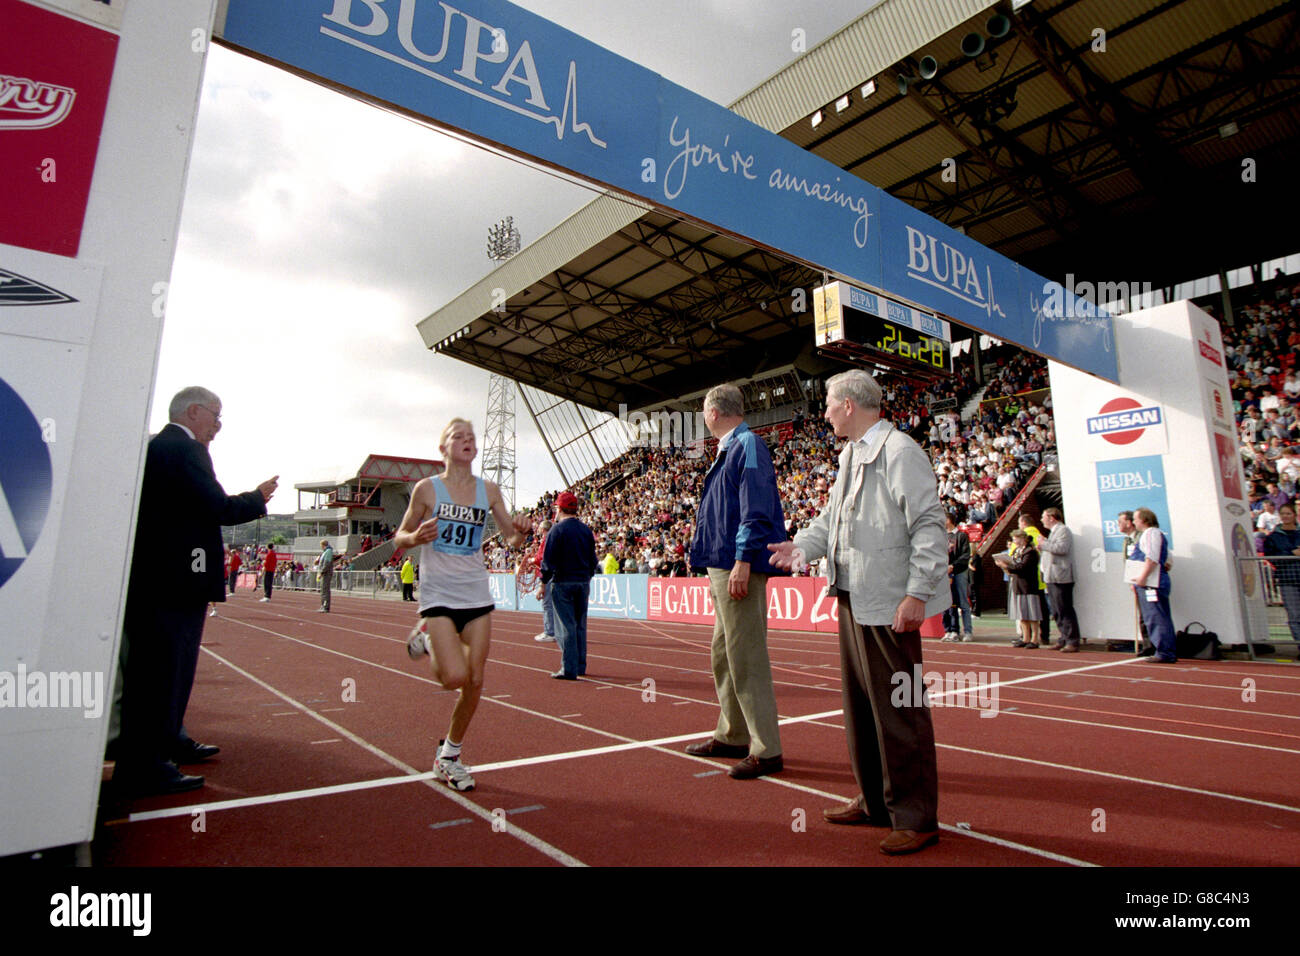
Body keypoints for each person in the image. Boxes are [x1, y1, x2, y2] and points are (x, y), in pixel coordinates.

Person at [768, 369, 947, 855]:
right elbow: (830, 521)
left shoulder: (900, 451)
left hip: (889, 602)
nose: (823, 412)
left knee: (900, 711)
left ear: (849, 405)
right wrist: (800, 547)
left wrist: (917, 593)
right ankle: (875, 802)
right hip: (852, 595)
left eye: (828, 403)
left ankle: (915, 816)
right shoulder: (851, 453)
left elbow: (930, 525)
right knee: (862, 709)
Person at [114, 386, 277, 796]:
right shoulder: (184, 450)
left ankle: (168, 742)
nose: (218, 426)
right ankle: (147, 764)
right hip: (174, 584)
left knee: (157, 672)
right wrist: (256, 498)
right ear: (193, 411)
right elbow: (217, 507)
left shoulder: (158, 448)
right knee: (164, 673)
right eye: (215, 416)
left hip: (159, 581)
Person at [398, 418, 531, 791]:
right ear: (444, 448)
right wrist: (414, 537)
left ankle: (449, 756)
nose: (468, 441)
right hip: (439, 595)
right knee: (453, 677)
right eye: (459, 437)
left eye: (472, 437)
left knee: (474, 680)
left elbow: (511, 540)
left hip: (476, 594)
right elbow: (399, 535)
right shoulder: (427, 490)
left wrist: (520, 531)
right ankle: (425, 637)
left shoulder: (488, 490)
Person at [684, 384, 787, 780]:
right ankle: (732, 734)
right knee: (724, 654)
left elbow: (756, 509)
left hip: (734, 563)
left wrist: (744, 560)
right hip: (723, 562)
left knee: (746, 657)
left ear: (713, 413)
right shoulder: (734, 447)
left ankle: (767, 748)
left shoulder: (747, 446)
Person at [540, 492, 597, 680]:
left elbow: (548, 561)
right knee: (580, 625)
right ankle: (580, 664)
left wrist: (543, 583)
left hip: (563, 582)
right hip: (582, 582)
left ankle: (569, 668)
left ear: (560, 508)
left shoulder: (556, 531)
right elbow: (593, 560)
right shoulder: (586, 530)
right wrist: (586, 577)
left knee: (565, 627)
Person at [1130, 507, 1176, 662]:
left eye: (1135, 519)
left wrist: (1142, 577)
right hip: (1153, 581)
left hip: (1152, 583)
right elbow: (1168, 562)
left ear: (1143, 520)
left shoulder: (1151, 534)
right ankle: (1164, 649)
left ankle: (1164, 652)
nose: (1134, 522)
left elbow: (1152, 558)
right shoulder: (1153, 535)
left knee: (1156, 617)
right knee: (1157, 616)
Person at [1036, 507, 1080, 652]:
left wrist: (1043, 544)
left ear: (1052, 517)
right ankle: (1063, 637)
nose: (1042, 520)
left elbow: (1062, 548)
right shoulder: (1053, 532)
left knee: (1064, 608)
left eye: (1044, 517)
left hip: (1061, 577)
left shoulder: (1063, 530)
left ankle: (1072, 640)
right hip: (1051, 576)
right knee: (1056, 610)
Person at [1263, 503, 1300, 645]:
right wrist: (1291, 554)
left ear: (1294, 515)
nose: (1285, 516)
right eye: (1283, 514)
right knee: (1294, 615)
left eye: (1288, 513)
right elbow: (1272, 557)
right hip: (1288, 580)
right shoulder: (1273, 537)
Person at [997, 530, 1042, 647]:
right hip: (1018, 584)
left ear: (1023, 539)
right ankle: (1026, 638)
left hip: (1028, 585)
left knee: (1032, 614)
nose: (1013, 541)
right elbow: (1014, 567)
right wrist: (1004, 566)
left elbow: (1022, 567)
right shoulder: (1017, 551)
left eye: (1015, 539)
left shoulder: (1030, 552)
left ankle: (1035, 639)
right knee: (1022, 614)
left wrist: (1007, 566)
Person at [941, 512, 973, 643]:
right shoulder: (941, 536)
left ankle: (968, 631)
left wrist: (953, 566)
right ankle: (951, 630)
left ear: (949, 520)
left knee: (963, 602)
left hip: (959, 572)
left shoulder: (961, 535)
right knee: (948, 603)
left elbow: (965, 555)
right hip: (944, 573)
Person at [317, 540, 338, 612]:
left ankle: (325, 606)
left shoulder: (328, 551)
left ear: (323, 545)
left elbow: (327, 563)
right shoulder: (325, 552)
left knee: (325, 590)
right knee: (323, 590)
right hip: (324, 573)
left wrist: (322, 572)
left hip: (326, 573)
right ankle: (323, 605)